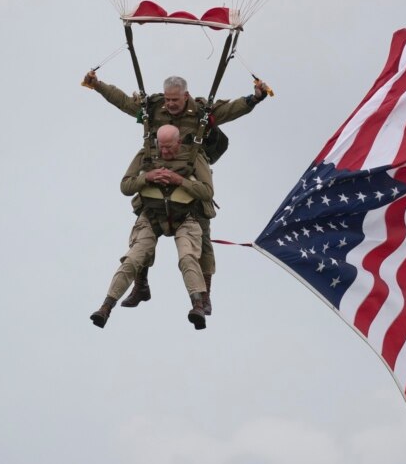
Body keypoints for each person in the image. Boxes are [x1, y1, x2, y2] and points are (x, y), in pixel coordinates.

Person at [83, 71, 269, 316]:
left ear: (186, 96)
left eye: (175, 100)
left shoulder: (201, 112)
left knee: (201, 241)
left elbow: (230, 110)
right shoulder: (154, 108)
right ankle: (140, 286)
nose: (170, 104)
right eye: (168, 100)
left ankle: (204, 297)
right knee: (142, 237)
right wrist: (97, 85)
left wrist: (254, 98)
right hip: (157, 176)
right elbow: (125, 103)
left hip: (190, 174)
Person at [91, 126, 212, 331]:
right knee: (133, 258)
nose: (164, 152)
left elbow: (207, 192)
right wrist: (147, 177)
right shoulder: (145, 155)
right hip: (152, 215)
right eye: (161, 147)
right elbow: (126, 186)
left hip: (185, 216)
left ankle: (198, 306)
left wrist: (179, 181)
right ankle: (105, 308)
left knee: (188, 257)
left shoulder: (194, 156)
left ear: (179, 143)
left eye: (169, 148)